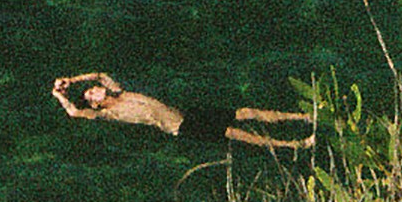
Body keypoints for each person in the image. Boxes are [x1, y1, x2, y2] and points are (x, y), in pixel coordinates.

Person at [51, 71, 315, 151]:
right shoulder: (105, 113)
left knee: (244, 112)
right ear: (95, 103)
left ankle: (301, 116)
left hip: (188, 113)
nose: (95, 89)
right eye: (91, 93)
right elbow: (75, 113)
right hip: (182, 128)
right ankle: (294, 144)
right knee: (236, 133)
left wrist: (72, 82)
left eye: (94, 88)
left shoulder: (119, 91)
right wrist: (59, 96)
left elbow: (100, 73)